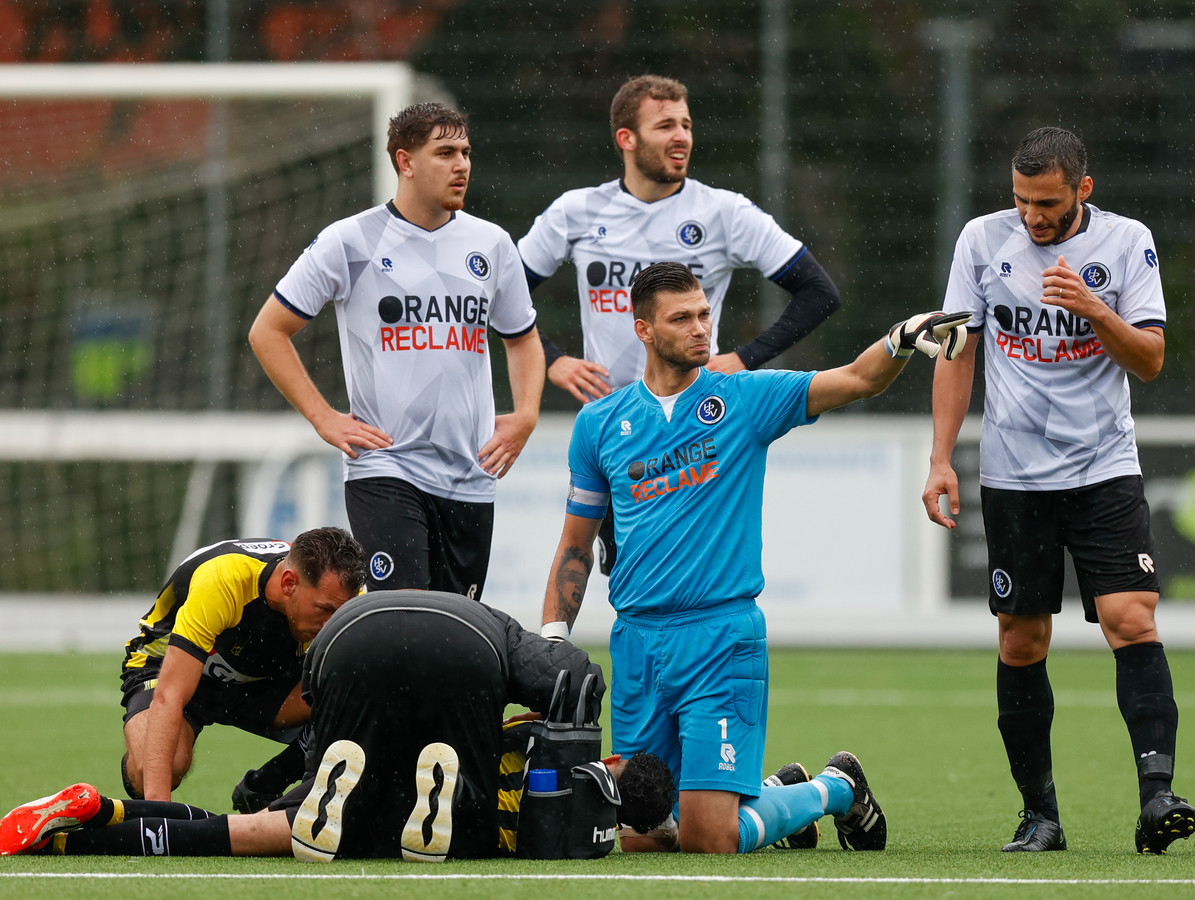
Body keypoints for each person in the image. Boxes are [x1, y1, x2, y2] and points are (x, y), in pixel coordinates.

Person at [540, 261, 970, 854]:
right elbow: (574, 545)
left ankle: (834, 788)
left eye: (703, 314)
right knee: (646, 841)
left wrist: (898, 340)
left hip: (720, 637)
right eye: (681, 318)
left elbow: (854, 380)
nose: (700, 328)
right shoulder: (598, 424)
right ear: (642, 330)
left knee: (709, 840)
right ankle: (774, 793)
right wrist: (554, 636)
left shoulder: (742, 400)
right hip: (637, 643)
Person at [921, 126, 1195, 855]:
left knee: (1131, 618)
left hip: (1104, 464)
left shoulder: (1127, 242)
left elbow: (1151, 360)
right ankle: (1039, 815)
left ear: (1084, 189)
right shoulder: (982, 241)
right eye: (1021, 201)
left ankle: (1157, 797)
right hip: (1014, 472)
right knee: (1021, 638)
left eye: (1046, 203)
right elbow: (956, 350)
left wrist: (1094, 309)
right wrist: (940, 458)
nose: (1032, 217)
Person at [3, 590, 675, 860]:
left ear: (614, 761)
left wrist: (275, 777)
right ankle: (432, 813)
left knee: (260, 822)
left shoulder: (532, 717)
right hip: (461, 784)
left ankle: (96, 817)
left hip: (353, 657)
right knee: (262, 835)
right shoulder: (577, 814)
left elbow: (565, 686)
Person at [517, 74, 842, 575]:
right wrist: (554, 361)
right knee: (627, 575)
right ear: (627, 138)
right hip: (612, 429)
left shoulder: (723, 212)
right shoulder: (577, 211)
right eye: (665, 125)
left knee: (688, 571)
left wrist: (744, 358)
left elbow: (820, 292)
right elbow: (502, 298)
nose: (682, 137)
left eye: (686, 125)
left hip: (693, 425)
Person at [249, 101, 545, 598]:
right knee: (403, 620)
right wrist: (324, 417)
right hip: (386, 468)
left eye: (466, 153)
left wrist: (527, 415)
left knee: (455, 634)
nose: (462, 165)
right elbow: (268, 331)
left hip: (470, 476)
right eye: (446, 152)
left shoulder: (492, 244)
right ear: (404, 162)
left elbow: (523, 339)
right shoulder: (350, 241)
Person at [119, 527, 366, 803]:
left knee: (357, 703)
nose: (329, 625)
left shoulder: (344, 597)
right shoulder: (223, 580)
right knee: (155, 770)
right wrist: (158, 818)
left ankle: (264, 784)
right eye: (323, 610)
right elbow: (169, 696)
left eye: (339, 612)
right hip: (172, 669)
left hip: (263, 685)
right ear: (288, 584)